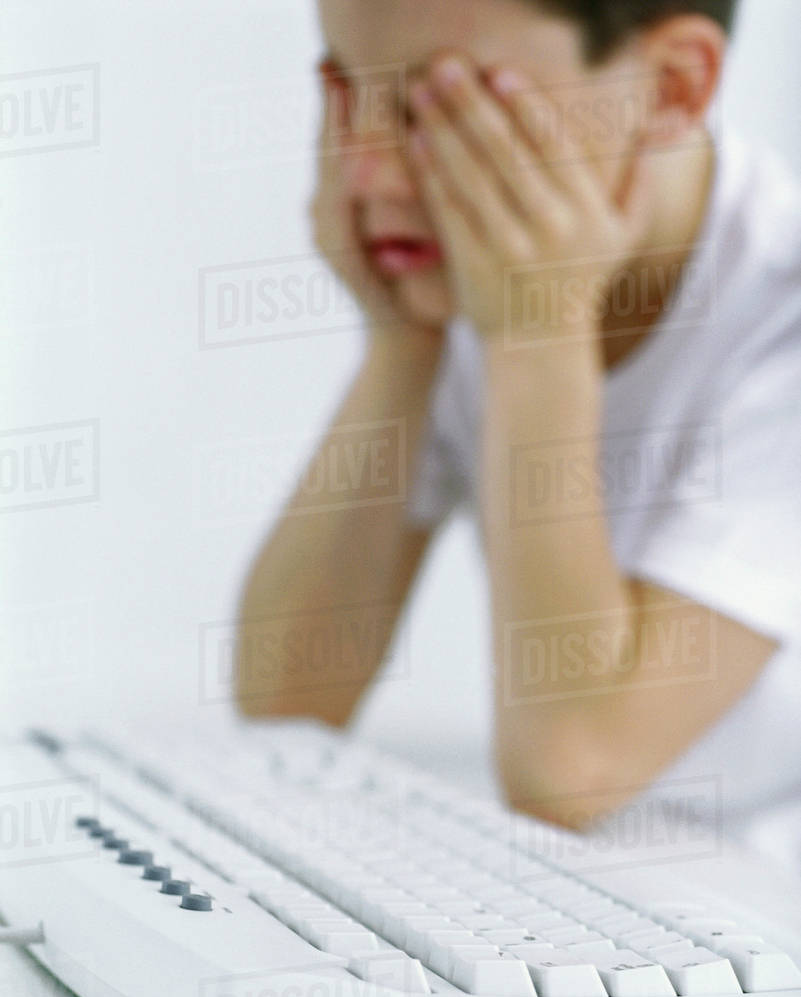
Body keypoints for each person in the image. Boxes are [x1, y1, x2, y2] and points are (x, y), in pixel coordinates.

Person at [235, 0, 801, 830]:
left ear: (672, 86)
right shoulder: (480, 275)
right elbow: (282, 702)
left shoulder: (775, 310)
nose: (373, 176)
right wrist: (400, 343)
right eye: (349, 92)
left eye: (454, 107)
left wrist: (540, 330)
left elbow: (567, 774)